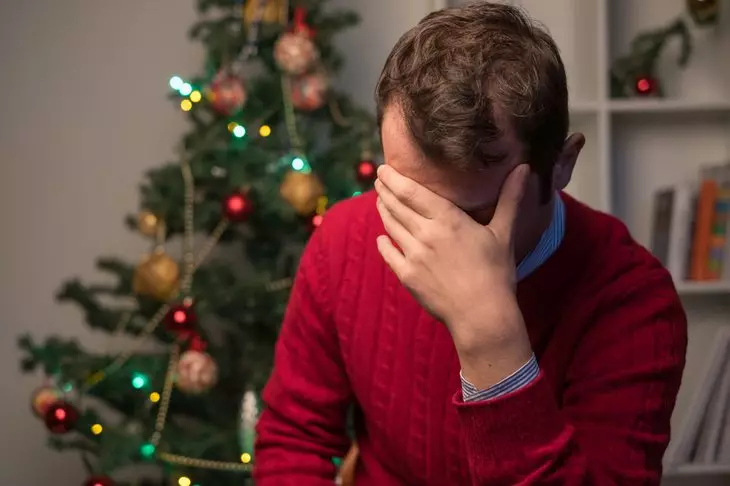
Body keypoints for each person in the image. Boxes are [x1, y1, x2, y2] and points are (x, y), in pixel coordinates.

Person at [253, 2, 688, 485]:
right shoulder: (344, 241)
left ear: (561, 165)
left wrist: (492, 338)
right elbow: (293, 441)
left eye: (470, 215)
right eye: (408, 198)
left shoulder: (633, 300)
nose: (433, 237)